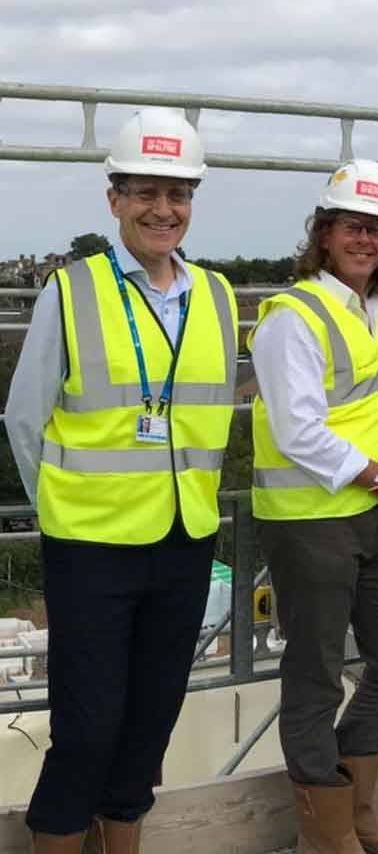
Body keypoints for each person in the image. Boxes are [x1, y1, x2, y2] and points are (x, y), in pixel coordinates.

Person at [5, 109, 236, 854]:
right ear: (114, 200)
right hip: (91, 549)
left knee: (151, 719)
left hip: (185, 539)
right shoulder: (70, 292)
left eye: (178, 194)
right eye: (145, 192)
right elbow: (26, 420)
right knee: (87, 725)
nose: (162, 209)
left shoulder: (219, 296)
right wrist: (68, 511)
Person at [248, 158, 378, 854]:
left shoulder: (371, 310)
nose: (366, 240)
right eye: (352, 227)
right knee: (314, 676)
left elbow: (358, 408)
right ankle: (329, 837)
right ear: (324, 233)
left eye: (377, 230)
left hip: (373, 511)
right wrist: (377, 474)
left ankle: (356, 811)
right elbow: (299, 428)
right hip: (311, 521)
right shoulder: (291, 316)